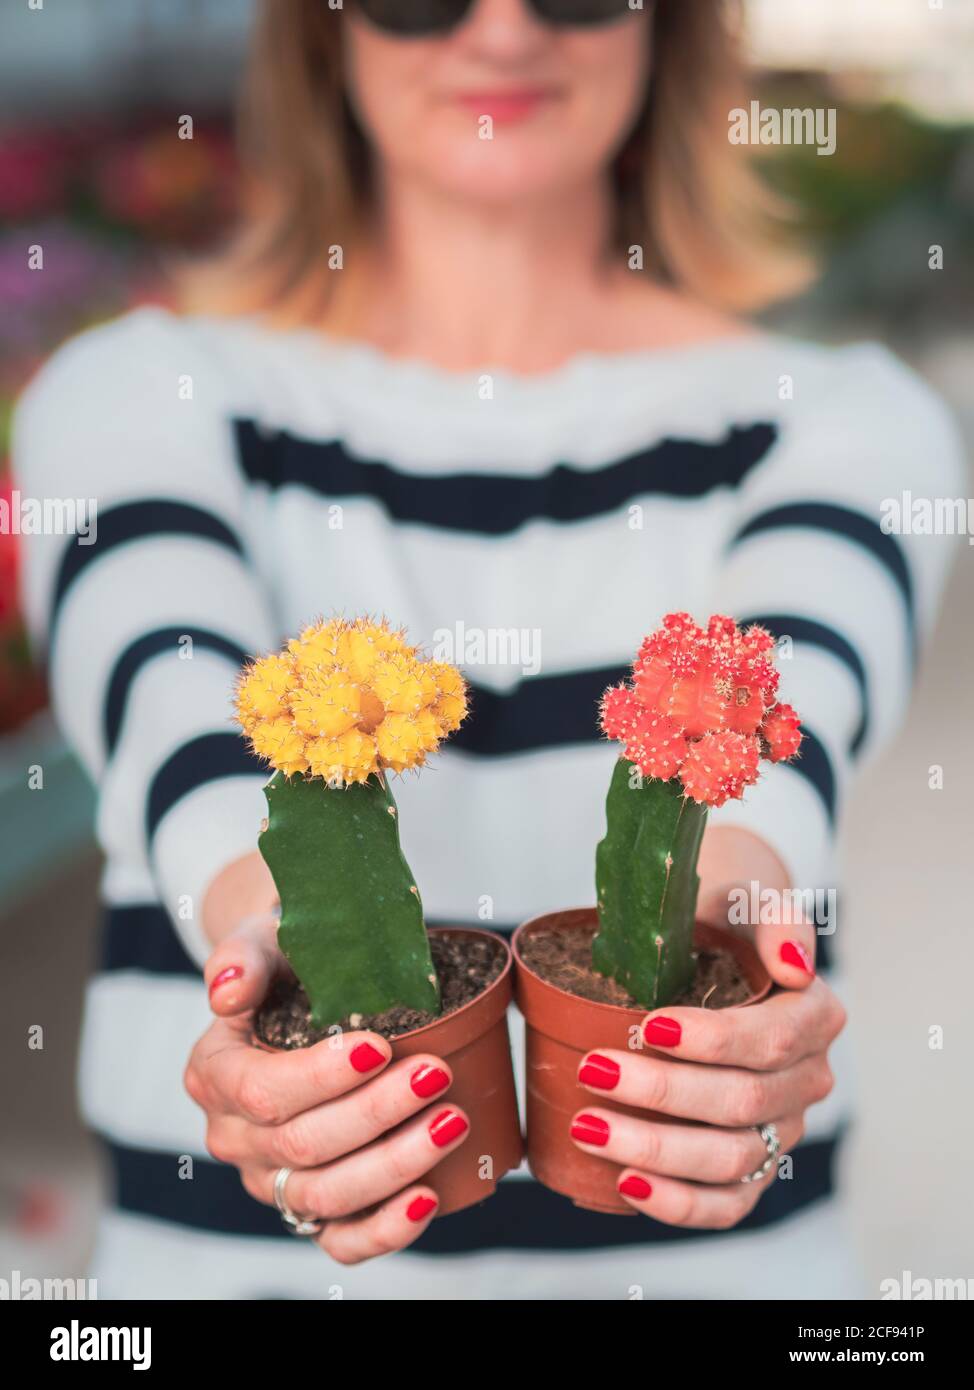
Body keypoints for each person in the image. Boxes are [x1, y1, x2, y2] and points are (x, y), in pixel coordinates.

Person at [15, 0, 962, 1299]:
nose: (501, 32)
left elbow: (779, 719)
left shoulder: (851, 425)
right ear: (319, 32)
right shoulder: (134, 397)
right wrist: (265, 934)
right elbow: (174, 717)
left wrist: (732, 912)